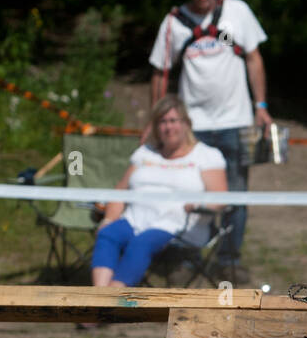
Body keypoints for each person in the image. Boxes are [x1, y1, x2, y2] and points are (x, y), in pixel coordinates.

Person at [148, 0, 271, 283]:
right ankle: (187, 260)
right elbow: (160, 72)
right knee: (189, 193)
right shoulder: (174, 23)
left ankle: (228, 261)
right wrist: (155, 118)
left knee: (235, 196)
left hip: (236, 122)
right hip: (193, 126)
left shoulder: (237, 11)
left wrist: (261, 106)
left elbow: (253, 58)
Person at [91, 97, 227, 289]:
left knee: (141, 243)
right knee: (108, 234)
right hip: (135, 219)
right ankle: (98, 299)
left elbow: (220, 198)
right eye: (162, 122)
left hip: (177, 224)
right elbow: (120, 192)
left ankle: (109, 304)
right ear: (155, 127)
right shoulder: (145, 153)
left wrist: (199, 205)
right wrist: (108, 220)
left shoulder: (206, 156)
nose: (168, 127)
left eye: (173, 121)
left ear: (186, 124)